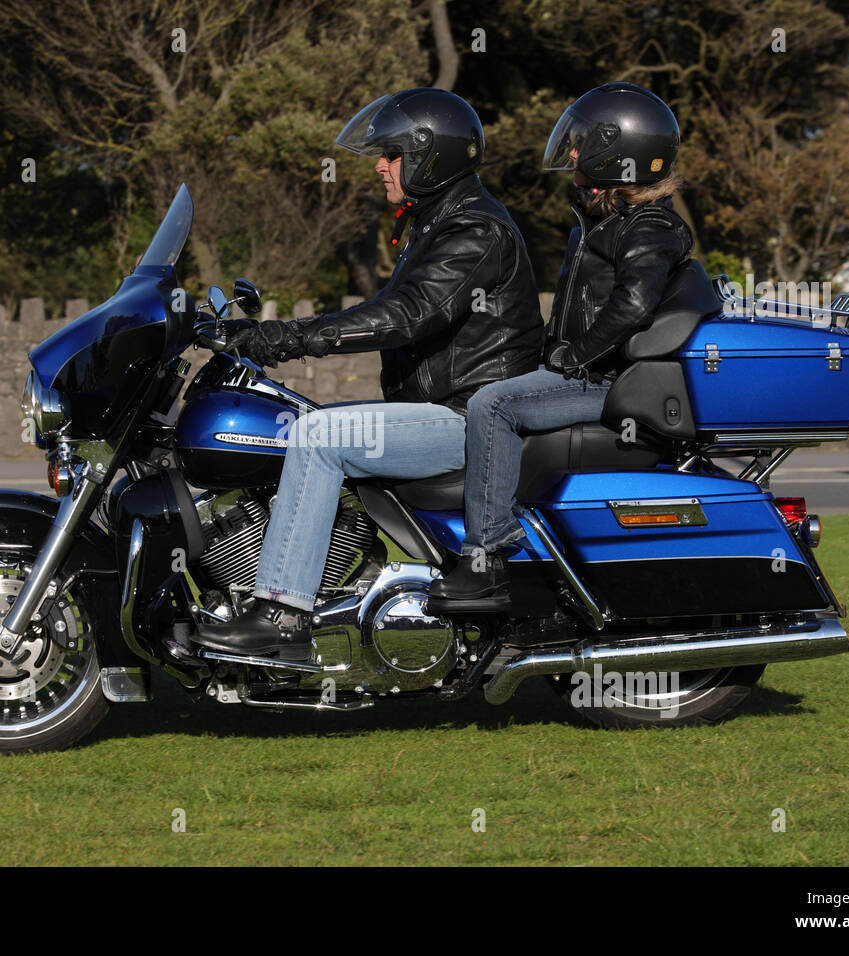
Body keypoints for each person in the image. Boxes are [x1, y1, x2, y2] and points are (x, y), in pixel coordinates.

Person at [194, 87, 543, 658]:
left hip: (468, 419)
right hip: (443, 410)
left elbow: (407, 315)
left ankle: (282, 615)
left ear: (431, 155)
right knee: (303, 423)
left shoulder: (475, 231)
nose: (380, 165)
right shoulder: (434, 223)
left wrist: (289, 337)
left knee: (317, 435)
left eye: (392, 153)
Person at [428, 82, 695, 610]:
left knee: (494, 404)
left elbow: (634, 303)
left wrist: (578, 355)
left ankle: (487, 557)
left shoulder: (649, 225)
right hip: (592, 373)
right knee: (488, 392)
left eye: (583, 143)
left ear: (617, 153)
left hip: (609, 381)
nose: (571, 152)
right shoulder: (603, 222)